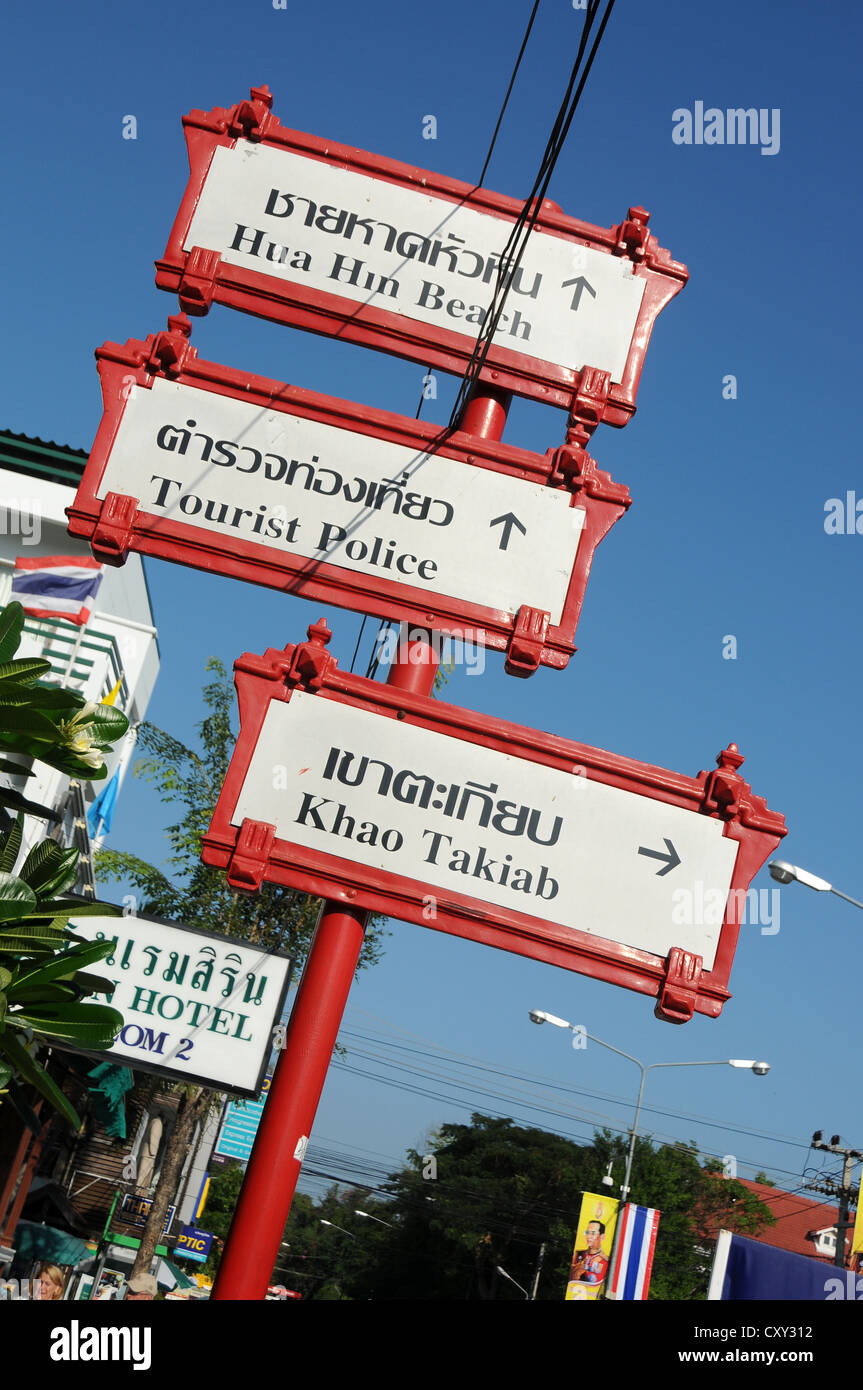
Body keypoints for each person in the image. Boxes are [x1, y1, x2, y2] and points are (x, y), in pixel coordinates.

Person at [569, 1219, 609, 1286]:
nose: (588, 1236)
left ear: (602, 1237)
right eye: (587, 1232)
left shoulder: (606, 1260)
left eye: (593, 1233)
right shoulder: (578, 1254)